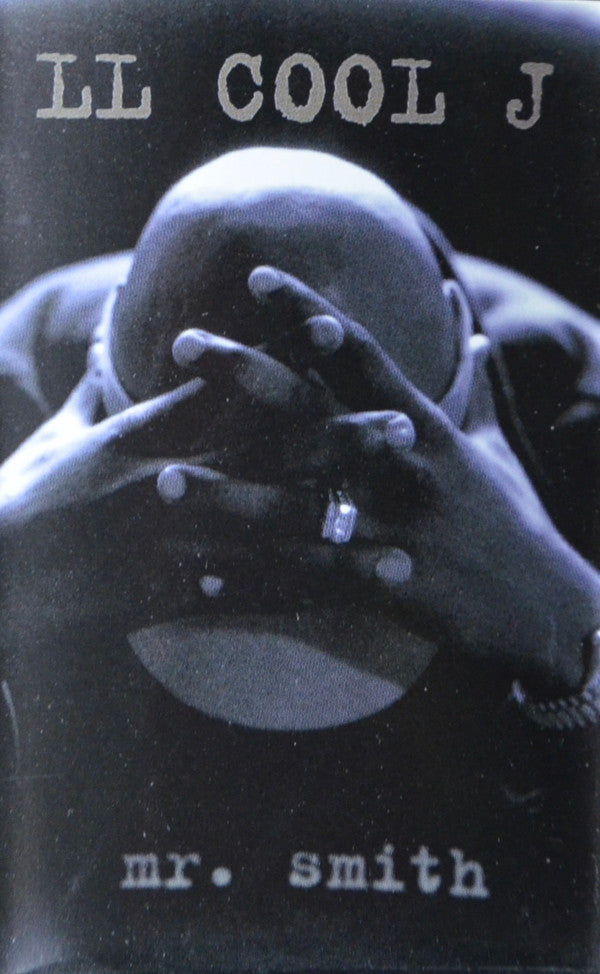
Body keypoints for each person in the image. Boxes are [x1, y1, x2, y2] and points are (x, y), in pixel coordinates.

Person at [2, 147, 600, 970]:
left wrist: (567, 613)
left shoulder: (580, 412)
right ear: (100, 340)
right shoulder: (13, 380)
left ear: (463, 332)